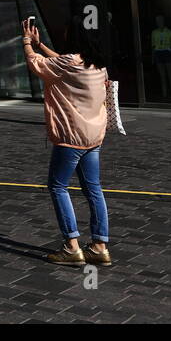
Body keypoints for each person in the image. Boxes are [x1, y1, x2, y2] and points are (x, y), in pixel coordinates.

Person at [22, 16, 111, 267]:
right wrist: (41, 46)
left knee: (58, 186)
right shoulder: (98, 65)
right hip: (94, 137)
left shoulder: (68, 63)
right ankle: (99, 246)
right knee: (93, 189)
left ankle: (71, 246)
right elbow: (58, 61)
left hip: (71, 138)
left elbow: (37, 64)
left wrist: (28, 43)